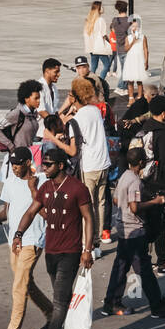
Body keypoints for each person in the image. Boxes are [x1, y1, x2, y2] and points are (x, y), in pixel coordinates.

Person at [13, 148, 94, 329]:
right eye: (43, 164)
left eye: (48, 164)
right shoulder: (46, 187)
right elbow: (32, 211)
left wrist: (87, 250)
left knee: (59, 302)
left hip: (70, 252)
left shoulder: (78, 188)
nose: (43, 168)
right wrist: (18, 234)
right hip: (51, 252)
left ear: (60, 165)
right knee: (62, 299)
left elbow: (89, 218)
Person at [0, 146, 53, 329]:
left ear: (27, 163)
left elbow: (46, 214)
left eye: (17, 165)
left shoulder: (42, 182)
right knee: (25, 284)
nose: (14, 168)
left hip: (33, 239)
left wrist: (34, 190)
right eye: (11, 165)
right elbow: (8, 209)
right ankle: (53, 315)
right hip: (14, 240)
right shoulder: (10, 181)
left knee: (18, 286)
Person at [101, 148, 165, 320]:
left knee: (121, 267)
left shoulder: (124, 176)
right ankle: (157, 307)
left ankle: (111, 302)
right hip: (134, 230)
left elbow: (115, 200)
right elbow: (134, 207)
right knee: (144, 269)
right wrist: (156, 201)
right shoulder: (135, 181)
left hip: (122, 228)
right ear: (142, 162)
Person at [57, 78, 110, 253]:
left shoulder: (76, 120)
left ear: (74, 97)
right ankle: (100, 238)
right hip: (104, 162)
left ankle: (90, 243)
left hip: (90, 165)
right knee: (100, 203)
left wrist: (55, 140)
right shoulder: (95, 111)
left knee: (88, 206)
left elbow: (72, 151)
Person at [134, 95, 165, 275]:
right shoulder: (162, 133)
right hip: (159, 183)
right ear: (163, 113)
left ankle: (144, 259)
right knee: (160, 224)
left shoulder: (144, 129)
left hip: (144, 182)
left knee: (147, 222)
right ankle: (163, 262)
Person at [0, 80, 43, 175]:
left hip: (30, 158)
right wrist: (11, 146)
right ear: (26, 99)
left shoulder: (33, 114)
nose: (39, 101)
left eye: (39, 98)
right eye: (36, 98)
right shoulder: (17, 113)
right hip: (17, 161)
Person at [120, 14, 149, 103]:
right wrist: (133, 40)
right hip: (131, 60)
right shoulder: (128, 38)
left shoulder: (143, 37)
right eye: (133, 26)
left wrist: (146, 61)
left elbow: (145, 49)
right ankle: (131, 98)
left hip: (139, 59)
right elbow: (126, 49)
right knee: (130, 80)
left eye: (136, 26)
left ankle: (140, 96)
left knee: (139, 80)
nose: (135, 28)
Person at [83, 1, 111, 80]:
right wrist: (110, 43)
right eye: (102, 6)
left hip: (91, 47)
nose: (103, 8)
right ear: (99, 9)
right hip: (99, 47)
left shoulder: (88, 20)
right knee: (107, 65)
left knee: (94, 66)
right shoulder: (100, 20)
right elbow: (104, 35)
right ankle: (101, 81)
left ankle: (90, 81)